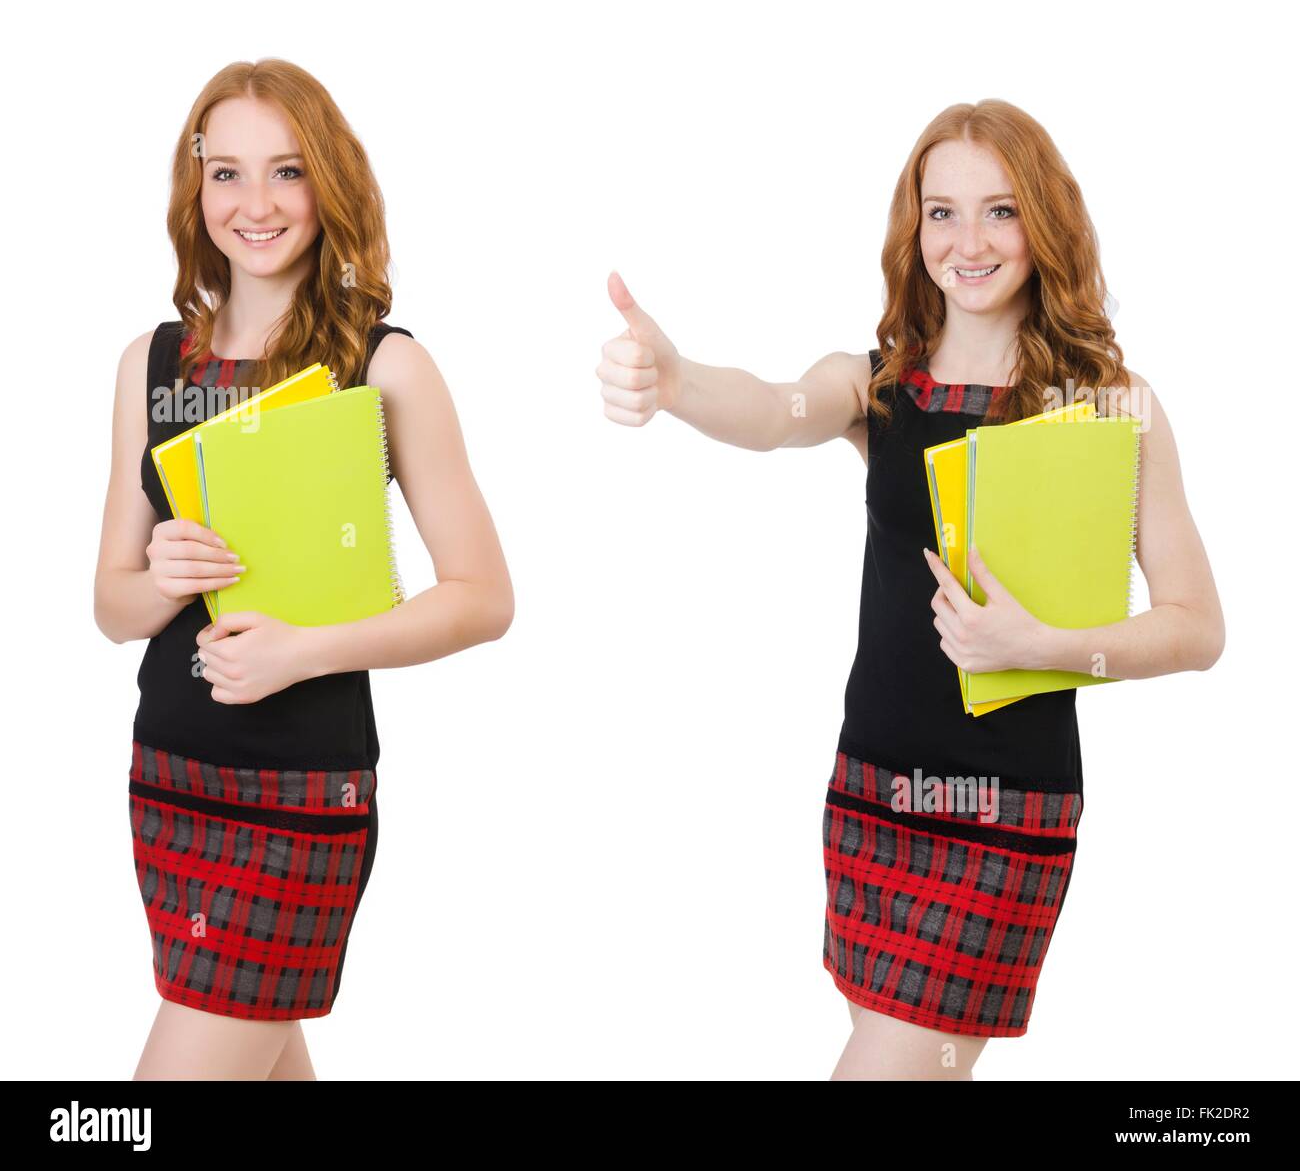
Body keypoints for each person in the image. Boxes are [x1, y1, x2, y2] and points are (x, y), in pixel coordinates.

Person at [593, 98, 1225, 1080]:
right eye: (941, 212)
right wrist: (676, 383)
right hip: (871, 794)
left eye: (999, 211)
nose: (966, 241)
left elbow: (1196, 627)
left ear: (1045, 222)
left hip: (1002, 813)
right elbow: (773, 409)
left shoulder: (1110, 407)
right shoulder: (878, 383)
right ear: (912, 226)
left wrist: (1041, 646)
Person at [93, 59, 514, 1080]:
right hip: (171, 780)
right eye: (227, 174)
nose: (256, 203)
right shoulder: (150, 364)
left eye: (286, 172)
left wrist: (304, 653)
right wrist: (166, 576)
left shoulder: (385, 366)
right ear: (197, 192)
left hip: (299, 797)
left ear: (329, 184)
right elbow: (111, 606)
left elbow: (483, 598)